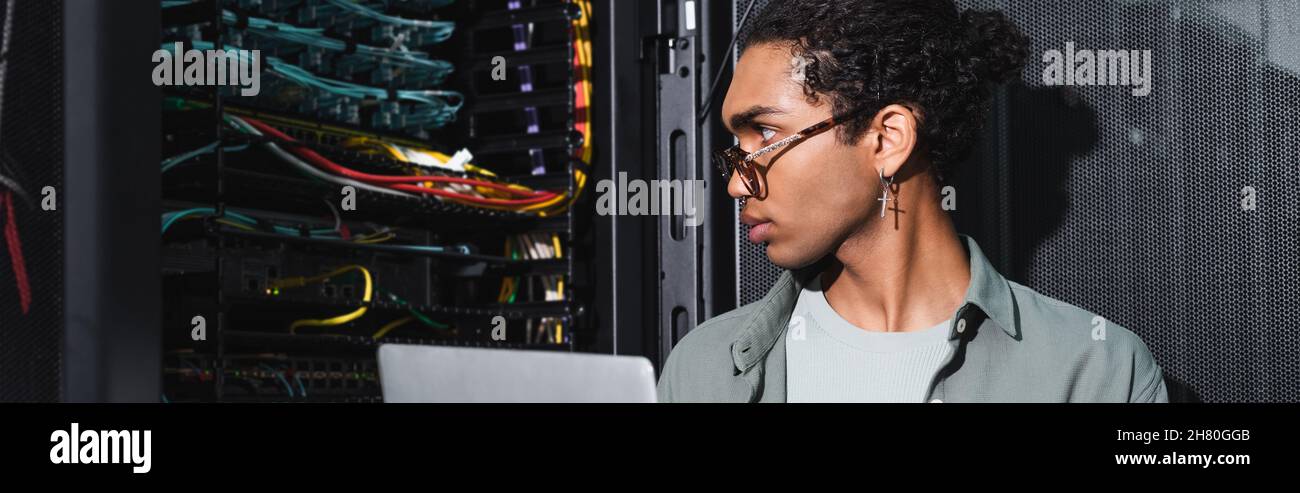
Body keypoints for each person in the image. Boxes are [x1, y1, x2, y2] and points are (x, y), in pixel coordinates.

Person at [656, 0, 1168, 403]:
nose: (737, 185)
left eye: (765, 136)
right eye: (736, 152)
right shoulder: (702, 370)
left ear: (886, 139)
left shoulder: (1095, 371)